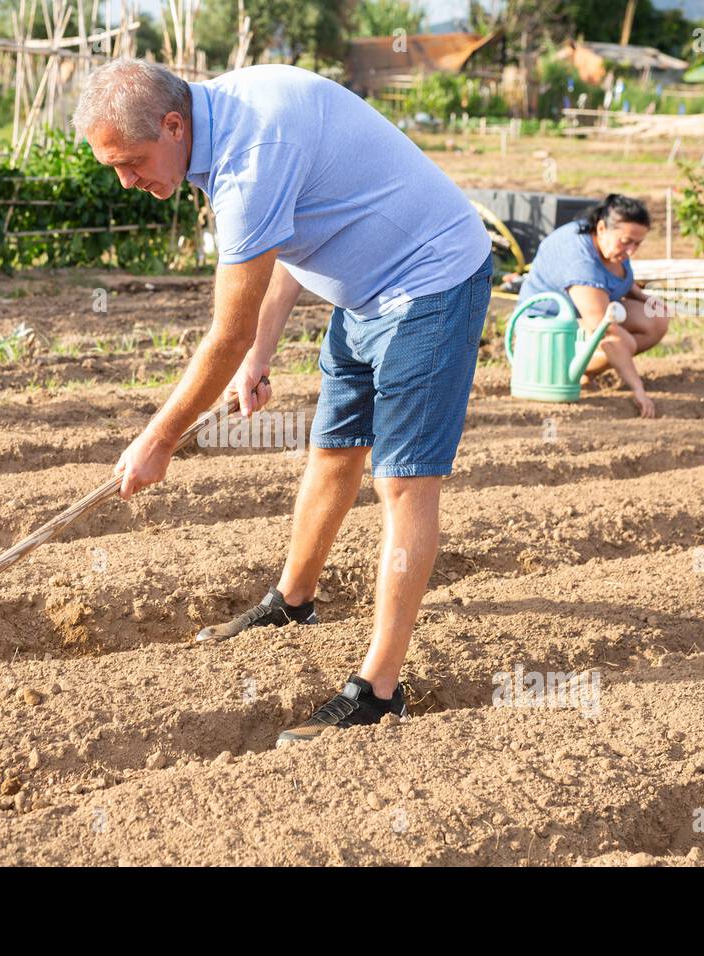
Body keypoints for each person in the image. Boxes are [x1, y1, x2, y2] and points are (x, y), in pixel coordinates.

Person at [72, 59, 493, 746]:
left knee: (404, 483)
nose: (129, 182)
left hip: (432, 281)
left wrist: (159, 439)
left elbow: (224, 332)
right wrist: (262, 355)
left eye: (132, 161)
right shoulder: (221, 127)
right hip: (361, 293)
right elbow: (286, 245)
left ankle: (380, 692)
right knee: (333, 454)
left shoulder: (249, 150)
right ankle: (293, 603)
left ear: (173, 126)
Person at [517, 194, 670, 418]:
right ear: (601, 228)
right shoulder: (580, 262)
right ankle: (565, 374)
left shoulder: (610, 243)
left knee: (655, 318)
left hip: (579, 320)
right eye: (627, 242)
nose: (631, 251)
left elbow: (615, 279)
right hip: (545, 335)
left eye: (638, 243)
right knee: (621, 341)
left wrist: (645, 298)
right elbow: (606, 332)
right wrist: (638, 389)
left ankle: (588, 368)